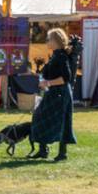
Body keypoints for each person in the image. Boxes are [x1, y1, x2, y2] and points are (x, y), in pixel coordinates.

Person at [29, 27, 79, 161]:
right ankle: (43, 150)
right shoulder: (56, 54)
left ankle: (62, 153)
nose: (47, 41)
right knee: (39, 117)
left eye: (49, 39)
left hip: (61, 93)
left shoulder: (61, 56)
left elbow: (65, 78)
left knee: (62, 121)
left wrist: (48, 83)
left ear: (55, 41)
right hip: (54, 92)